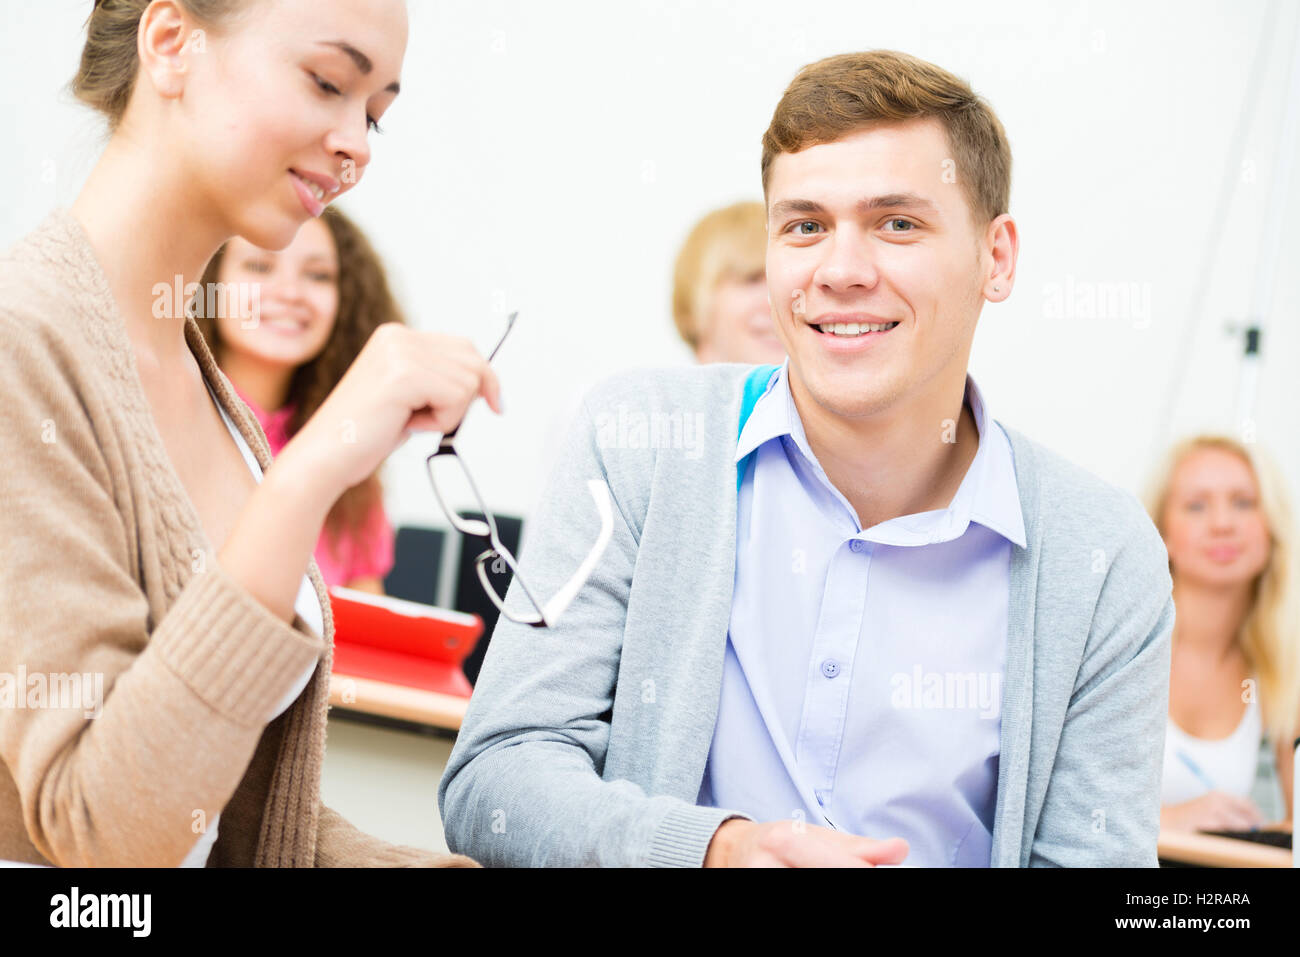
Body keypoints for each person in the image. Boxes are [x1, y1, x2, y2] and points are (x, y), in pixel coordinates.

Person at [439, 50, 1175, 867]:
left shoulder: (1102, 554)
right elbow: (495, 781)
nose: (841, 271)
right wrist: (711, 852)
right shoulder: (639, 439)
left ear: (995, 258)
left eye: (898, 223)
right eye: (805, 226)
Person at [0, 0, 498, 866]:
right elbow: (108, 834)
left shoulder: (207, 391)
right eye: (327, 83)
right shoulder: (22, 344)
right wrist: (314, 467)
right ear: (170, 44)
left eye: (376, 113)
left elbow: (235, 821)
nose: (359, 145)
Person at [195, 206, 401, 594]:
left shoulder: (352, 461)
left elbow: (365, 636)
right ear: (209, 283)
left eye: (318, 275)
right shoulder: (168, 420)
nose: (290, 293)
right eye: (259, 267)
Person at [1144, 436, 1298, 833]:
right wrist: (1172, 821)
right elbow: (1055, 818)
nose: (1223, 524)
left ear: (1271, 527)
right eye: (1197, 506)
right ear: (1163, 534)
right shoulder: (1119, 648)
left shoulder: (1283, 672)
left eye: (1244, 503)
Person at [672, 201, 785, 365]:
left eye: (781, 280)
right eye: (751, 279)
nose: (778, 299)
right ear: (694, 300)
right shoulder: (646, 389)